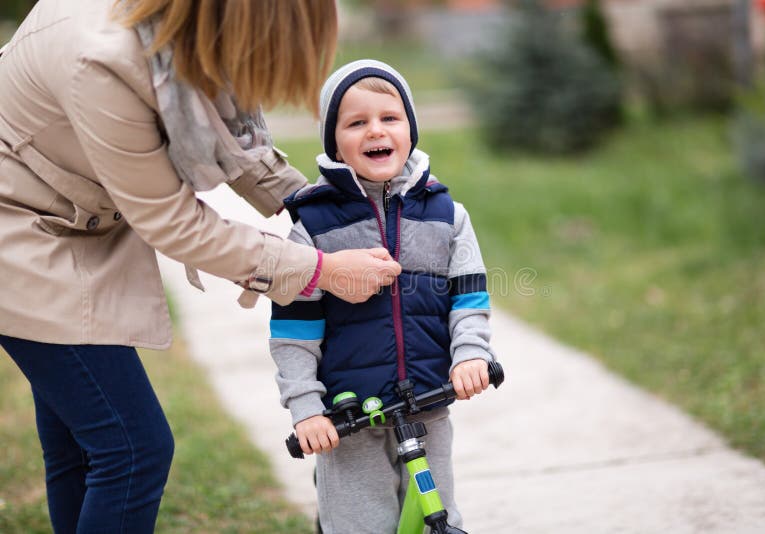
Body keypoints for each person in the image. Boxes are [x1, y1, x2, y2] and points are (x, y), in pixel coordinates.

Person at [0, 1, 401, 532]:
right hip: (17, 234)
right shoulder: (102, 62)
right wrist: (319, 269)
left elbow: (228, 129)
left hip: (67, 214)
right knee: (133, 451)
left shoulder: (175, 31)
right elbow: (172, 222)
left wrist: (318, 208)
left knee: (84, 445)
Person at [269, 59, 496, 534]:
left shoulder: (446, 214)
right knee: (358, 524)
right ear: (334, 141)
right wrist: (306, 407)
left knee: (439, 517)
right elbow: (294, 331)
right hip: (348, 420)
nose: (376, 131)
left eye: (389, 118)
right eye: (357, 122)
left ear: (410, 129)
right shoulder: (313, 226)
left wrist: (471, 354)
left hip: (429, 405)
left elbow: (469, 299)